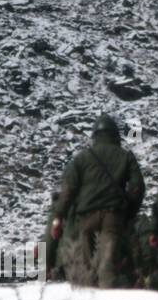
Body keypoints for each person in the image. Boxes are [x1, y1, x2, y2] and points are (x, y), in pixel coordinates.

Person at [50, 114, 145, 288]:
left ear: (95, 136)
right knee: (107, 263)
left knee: (86, 265)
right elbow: (138, 187)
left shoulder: (82, 158)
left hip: (87, 217)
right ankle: (106, 299)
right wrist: (129, 212)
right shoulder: (126, 156)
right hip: (113, 216)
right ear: (115, 135)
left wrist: (58, 217)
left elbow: (68, 191)